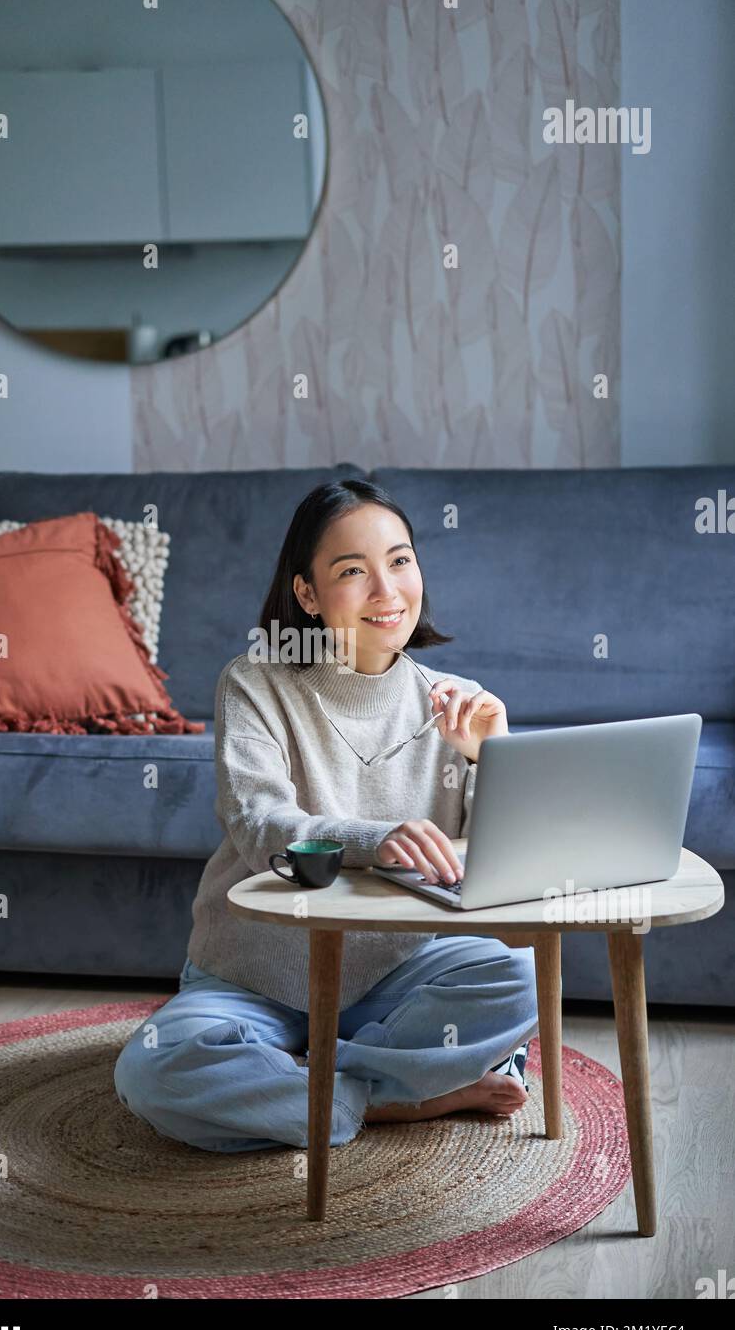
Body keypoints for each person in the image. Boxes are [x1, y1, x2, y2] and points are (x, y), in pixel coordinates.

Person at [114, 479, 539, 1152]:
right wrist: (380, 839)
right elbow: (260, 825)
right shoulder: (254, 683)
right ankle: (387, 1095)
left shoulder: (460, 705)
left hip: (393, 974)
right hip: (252, 978)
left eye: (400, 561)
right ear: (306, 595)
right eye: (352, 572)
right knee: (153, 1069)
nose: (386, 590)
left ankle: (311, 1088)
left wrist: (495, 757)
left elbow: (500, 872)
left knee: (516, 974)